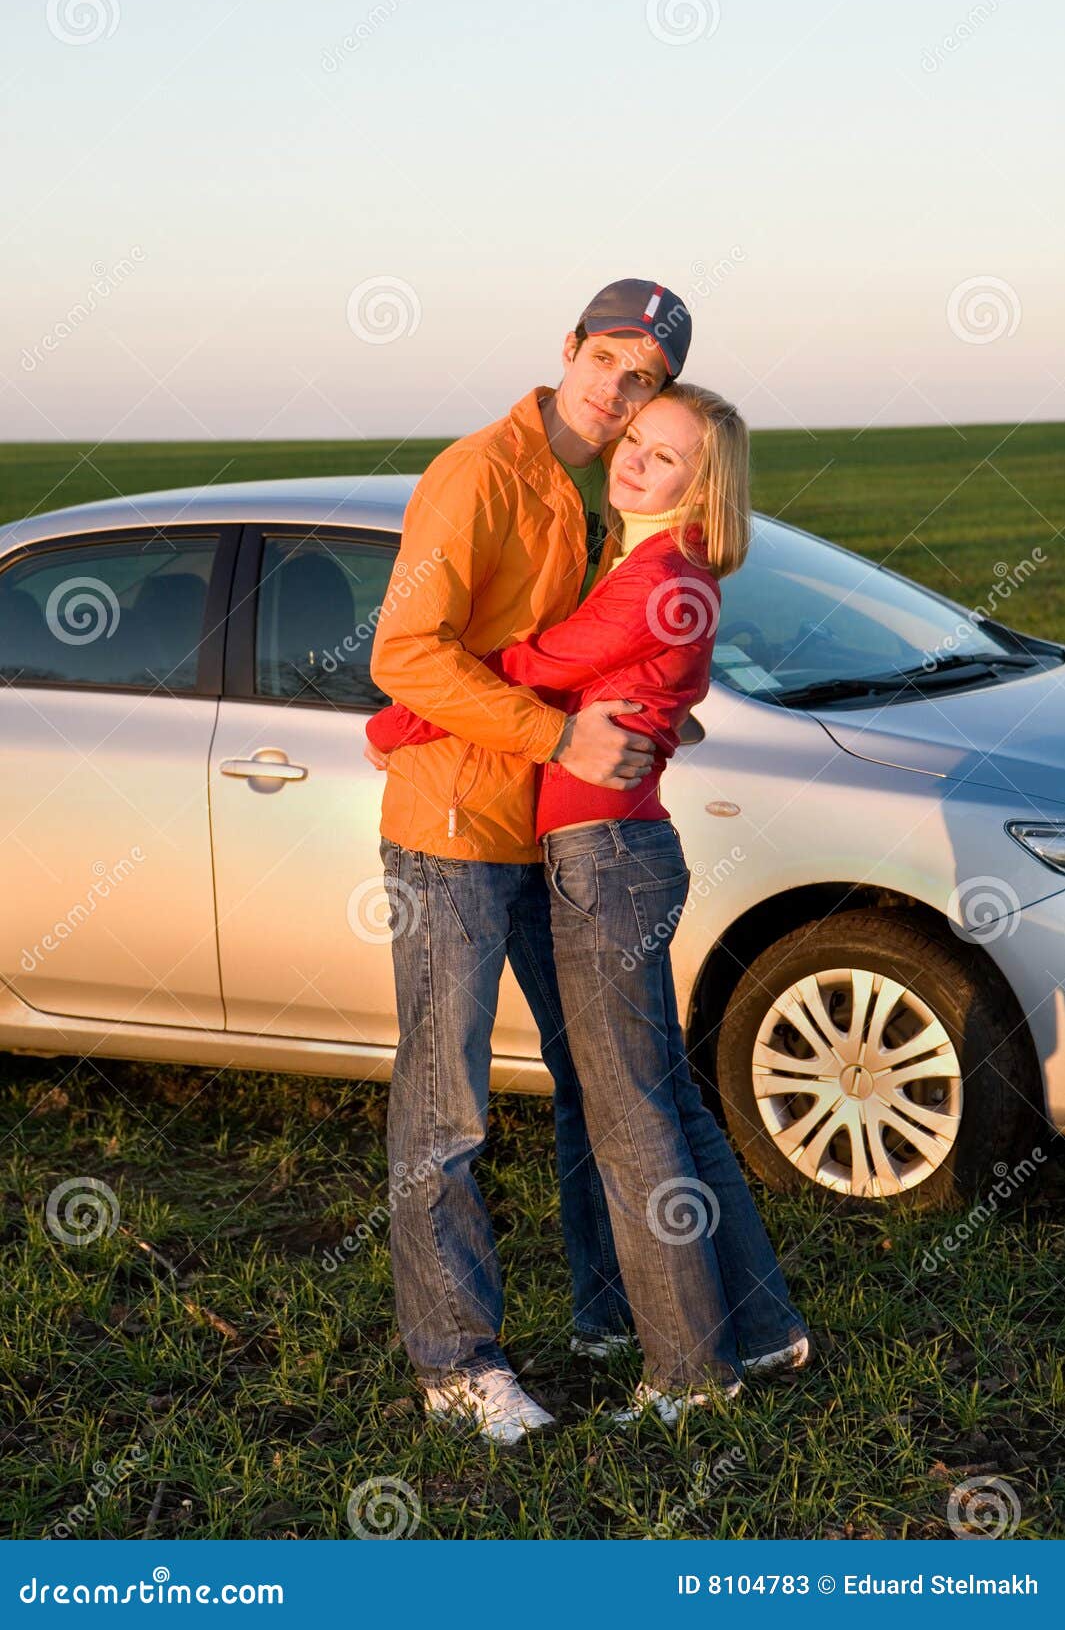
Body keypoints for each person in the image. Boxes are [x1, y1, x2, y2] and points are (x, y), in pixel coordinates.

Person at [369, 383, 809, 1428]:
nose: (632, 459)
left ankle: (688, 1371)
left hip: (600, 855)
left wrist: (397, 727)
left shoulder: (656, 572)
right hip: (559, 841)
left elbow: (536, 665)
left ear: (703, 485)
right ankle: (746, 1326)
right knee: (636, 1100)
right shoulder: (615, 551)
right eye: (635, 444)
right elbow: (589, 679)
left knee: (630, 1113)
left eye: (663, 456)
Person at [368, 279, 695, 1444]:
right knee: (445, 1104)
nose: (618, 389)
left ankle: (613, 1315)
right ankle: (456, 1363)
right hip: (454, 829)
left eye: (643, 378)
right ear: (567, 349)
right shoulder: (476, 475)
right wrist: (560, 734)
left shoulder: (610, 495)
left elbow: (582, 647)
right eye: (606, 358)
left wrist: (649, 707)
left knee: (597, 1090)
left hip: (564, 835)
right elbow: (403, 653)